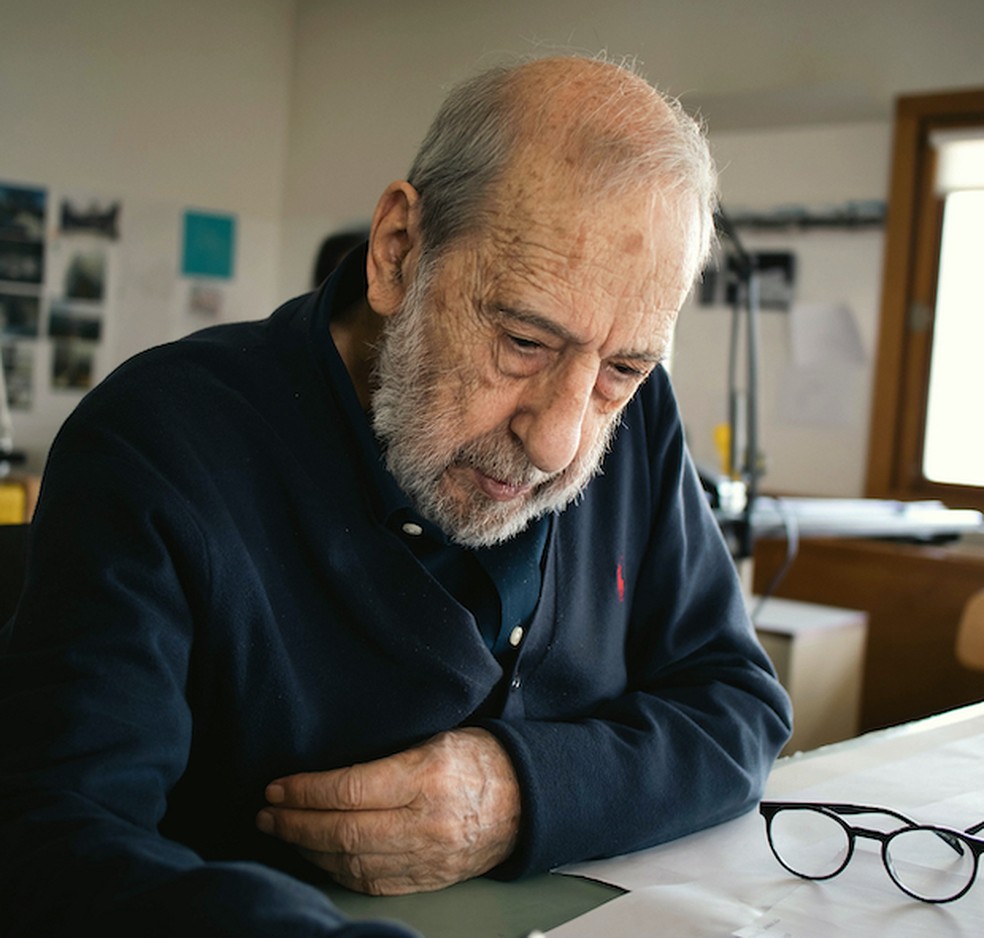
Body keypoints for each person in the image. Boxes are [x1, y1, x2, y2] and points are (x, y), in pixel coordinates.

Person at [0, 55, 791, 936]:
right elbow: (51, 840)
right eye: (525, 340)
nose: (559, 439)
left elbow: (738, 704)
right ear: (397, 253)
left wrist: (520, 793)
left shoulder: (637, 423)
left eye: (622, 368)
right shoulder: (159, 444)